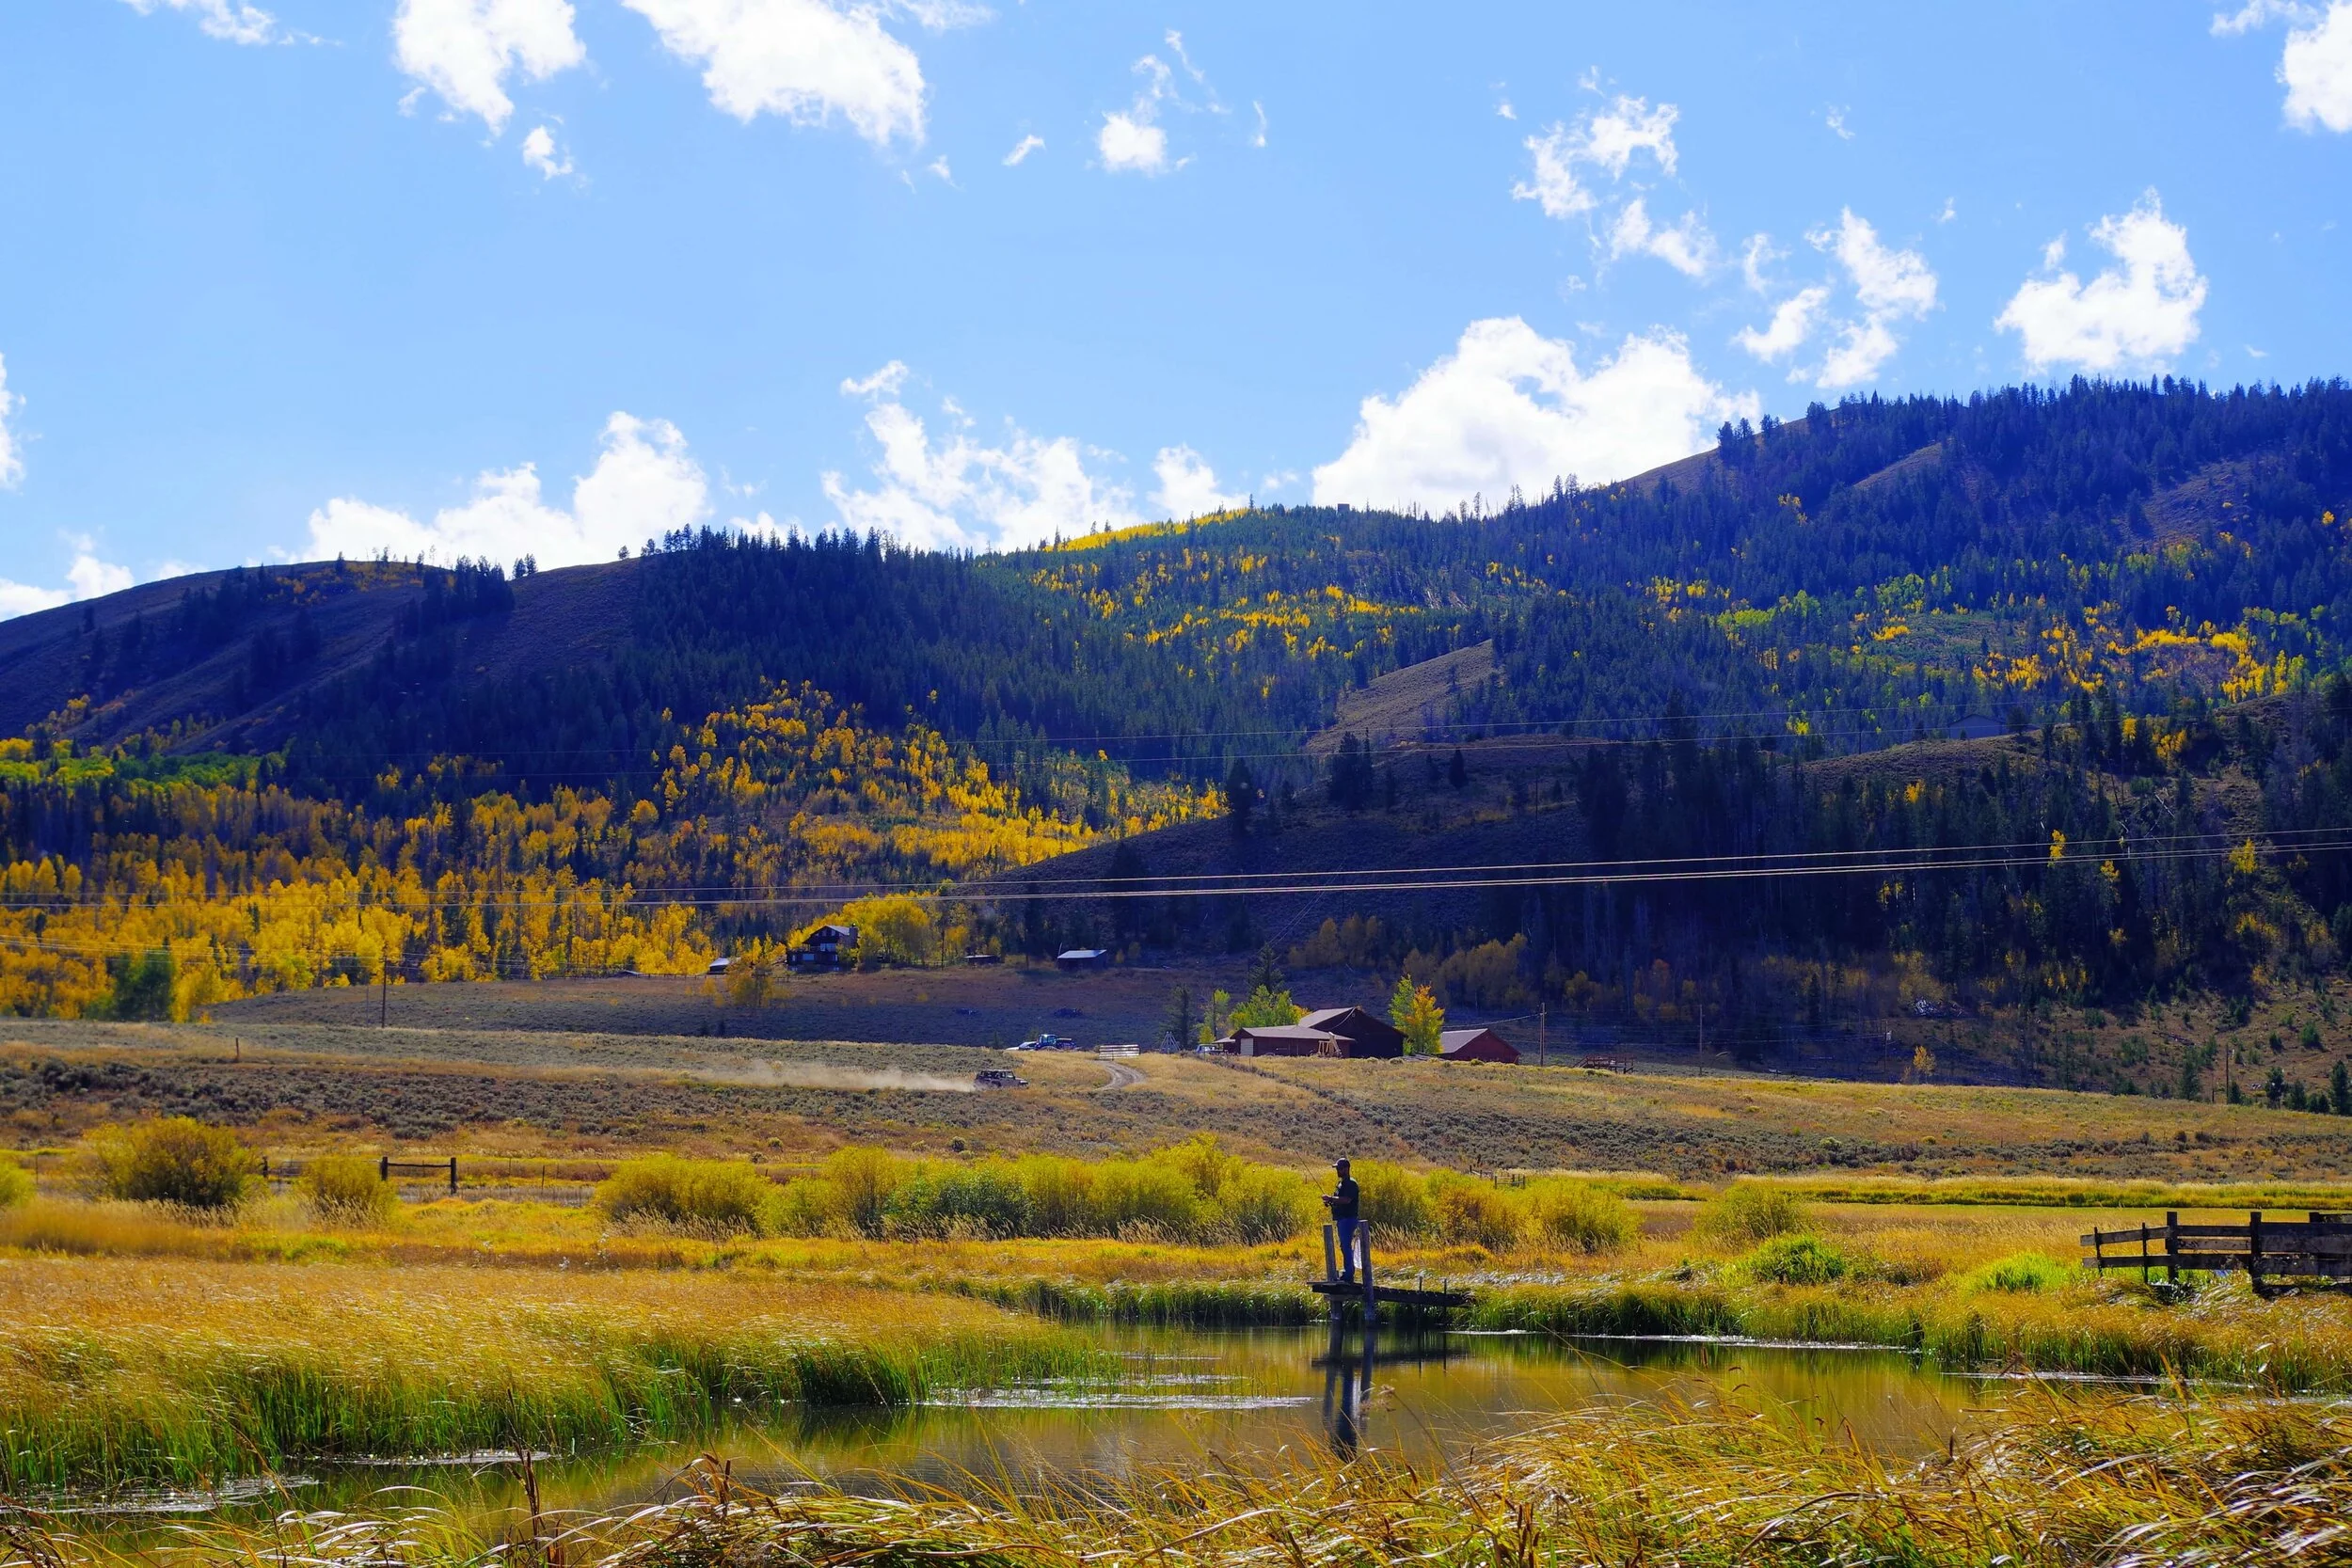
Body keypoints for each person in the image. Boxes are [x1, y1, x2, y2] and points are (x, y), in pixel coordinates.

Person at [1321, 1157, 1361, 1281]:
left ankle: (1348, 1275)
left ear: (1346, 1169)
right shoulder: (1341, 1184)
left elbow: (1347, 1200)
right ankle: (1347, 1272)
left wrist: (1331, 1199)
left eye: (1340, 1168)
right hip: (1342, 1219)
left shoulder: (1351, 1184)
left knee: (1346, 1246)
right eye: (1337, 1168)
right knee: (1344, 1246)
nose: (1337, 1170)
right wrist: (1330, 1201)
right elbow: (1339, 1200)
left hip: (1348, 1220)